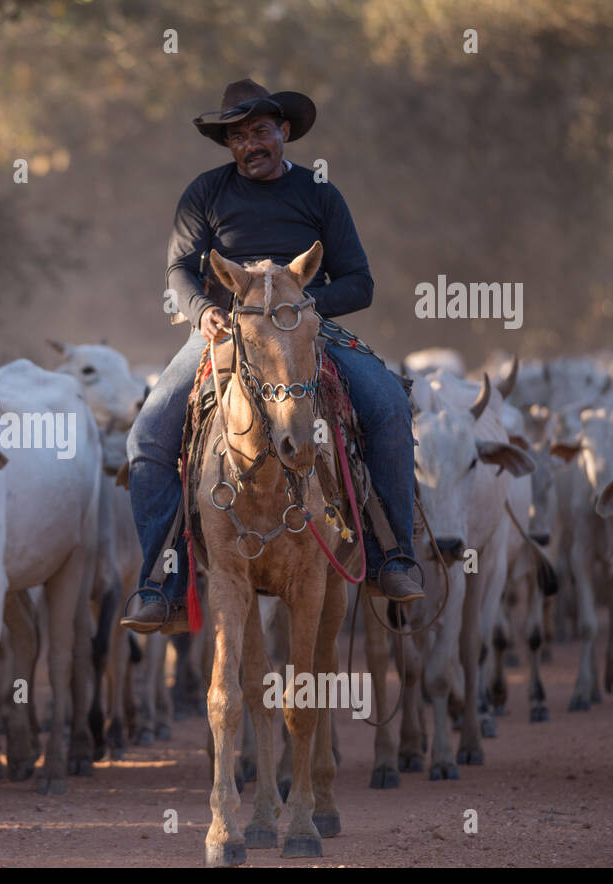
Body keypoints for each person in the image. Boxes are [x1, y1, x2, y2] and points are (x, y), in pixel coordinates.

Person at [121, 79, 423, 636]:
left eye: (260, 131)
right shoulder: (204, 194)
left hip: (306, 329)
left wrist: (299, 308)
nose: (249, 145)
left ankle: (391, 556)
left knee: (387, 406)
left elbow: (360, 283)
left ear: (283, 131)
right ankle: (162, 582)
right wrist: (199, 312)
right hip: (224, 329)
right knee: (146, 438)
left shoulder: (319, 194)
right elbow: (180, 272)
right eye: (237, 136)